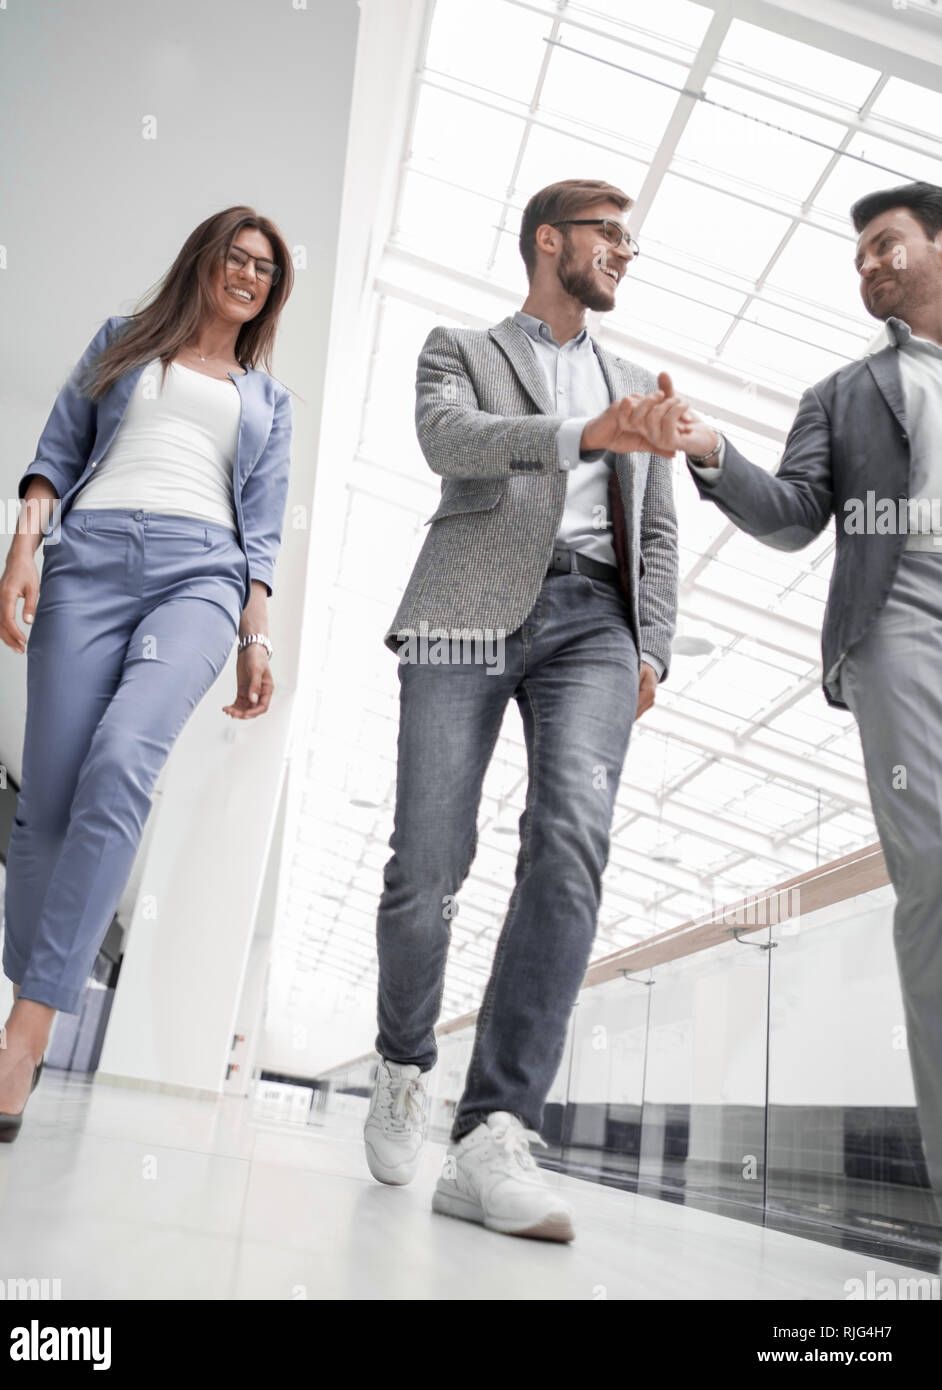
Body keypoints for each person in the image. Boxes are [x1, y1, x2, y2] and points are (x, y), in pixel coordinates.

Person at [364, 178, 687, 1241]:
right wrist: (582, 434)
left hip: (595, 621)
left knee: (569, 841)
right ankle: (405, 1062)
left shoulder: (639, 379)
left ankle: (493, 1129)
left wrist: (655, 647)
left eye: (630, 240)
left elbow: (657, 532)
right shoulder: (457, 344)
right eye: (609, 235)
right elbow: (449, 442)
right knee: (427, 865)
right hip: (465, 608)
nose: (624, 253)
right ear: (550, 241)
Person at [0, 206, 294, 1143]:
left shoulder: (270, 402)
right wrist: (22, 552)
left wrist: (254, 633)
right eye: (235, 254)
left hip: (201, 575)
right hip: (89, 555)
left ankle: (22, 1040)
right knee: (46, 806)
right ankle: (27, 1012)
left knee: (120, 767)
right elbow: (56, 452)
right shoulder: (122, 343)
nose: (249, 272)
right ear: (203, 260)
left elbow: (262, 528)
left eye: (266, 266)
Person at [643, 180, 942, 1218]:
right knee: (936, 870)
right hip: (899, 619)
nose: (867, 265)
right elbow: (792, 513)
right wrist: (711, 452)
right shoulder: (846, 393)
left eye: (885, 246)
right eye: (856, 253)